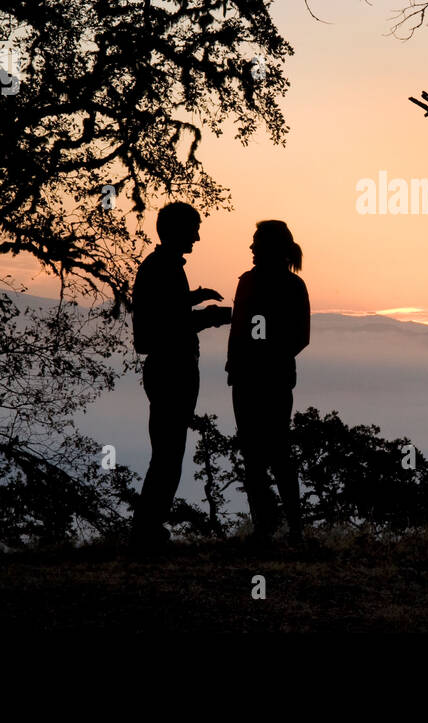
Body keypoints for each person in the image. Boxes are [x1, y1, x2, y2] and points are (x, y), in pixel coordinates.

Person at [130, 202, 231, 548]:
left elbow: (166, 308)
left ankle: (147, 529)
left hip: (166, 367)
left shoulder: (160, 266)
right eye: (194, 228)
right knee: (169, 454)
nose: (198, 237)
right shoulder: (164, 267)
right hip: (173, 368)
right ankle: (147, 531)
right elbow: (173, 322)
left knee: (167, 451)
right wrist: (214, 315)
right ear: (176, 230)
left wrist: (195, 298)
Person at [226, 220, 310, 544]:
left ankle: (290, 528)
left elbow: (297, 338)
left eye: (256, 242)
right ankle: (268, 526)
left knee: (275, 454)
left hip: (268, 381)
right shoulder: (249, 282)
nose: (251, 248)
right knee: (257, 456)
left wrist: (260, 356)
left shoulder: (290, 286)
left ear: (271, 248)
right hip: (251, 379)